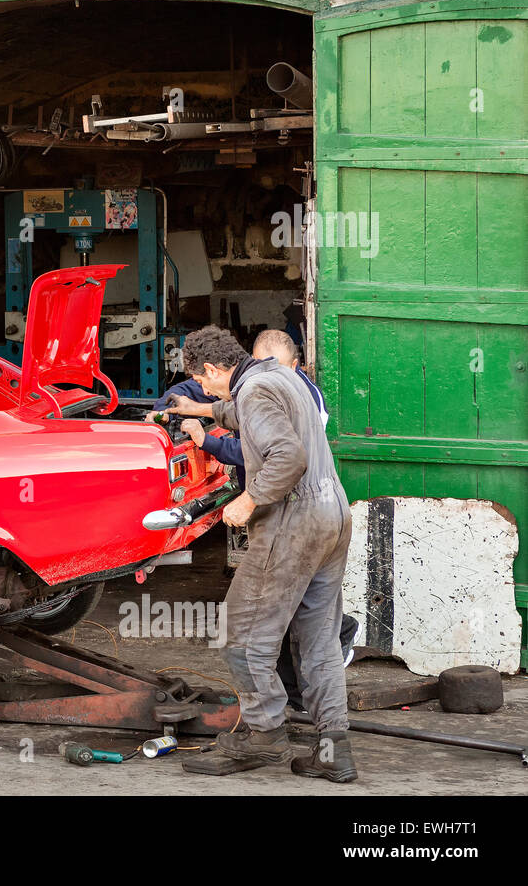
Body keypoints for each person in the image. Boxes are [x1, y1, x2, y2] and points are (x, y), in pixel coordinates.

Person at [166, 326, 357, 782]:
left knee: (241, 634)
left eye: (203, 382)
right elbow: (248, 409)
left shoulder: (254, 389)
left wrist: (248, 500)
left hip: (294, 521)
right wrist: (204, 409)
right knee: (318, 640)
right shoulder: (281, 375)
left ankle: (265, 734)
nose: (206, 389)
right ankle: (334, 751)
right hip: (333, 514)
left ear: (212, 369)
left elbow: (287, 457)